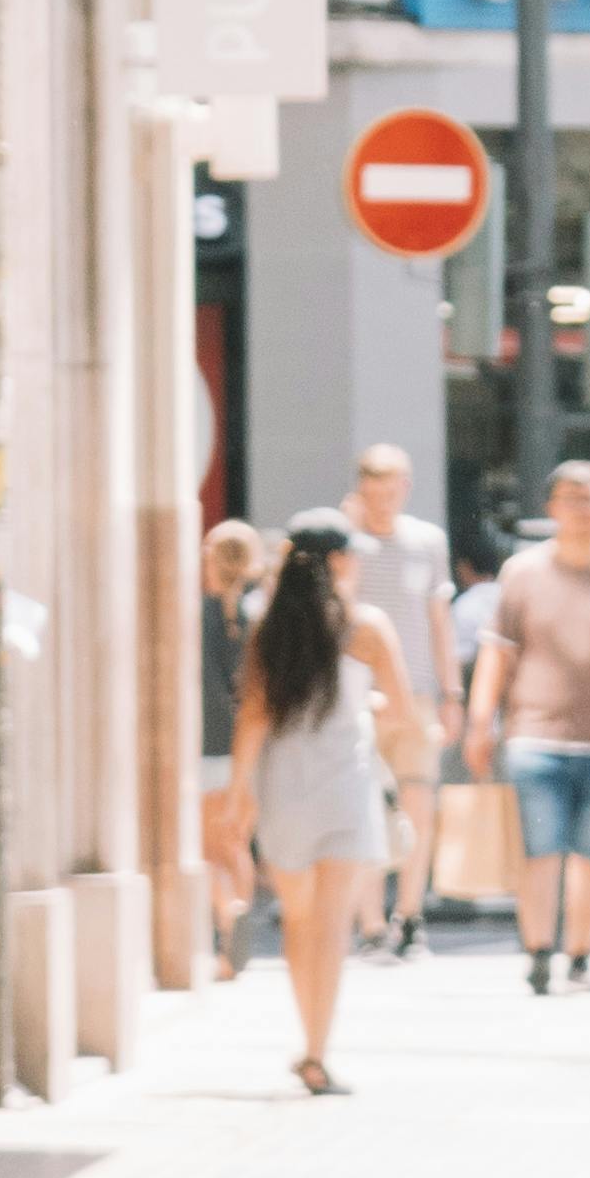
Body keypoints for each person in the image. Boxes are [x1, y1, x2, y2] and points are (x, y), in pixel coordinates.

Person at [464, 455, 590, 995]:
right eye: (572, 499)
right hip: (534, 736)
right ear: (552, 508)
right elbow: (496, 653)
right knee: (541, 850)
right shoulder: (522, 572)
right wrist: (480, 721)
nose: (583, 510)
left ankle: (578, 955)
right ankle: (537, 952)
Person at [229, 513, 412, 1094]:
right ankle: (316, 1051)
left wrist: (239, 797)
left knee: (299, 919)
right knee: (333, 924)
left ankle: (307, 1038)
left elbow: (253, 717)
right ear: (336, 563)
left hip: (285, 786)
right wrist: (372, 710)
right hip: (346, 785)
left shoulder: (269, 630)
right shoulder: (368, 627)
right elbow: (405, 714)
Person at [343, 443, 459, 959]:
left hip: (416, 696)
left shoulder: (427, 542)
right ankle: (369, 924)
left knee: (418, 804)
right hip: (358, 697)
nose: (382, 500)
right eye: (373, 489)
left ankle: (409, 915)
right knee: (363, 808)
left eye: (390, 489)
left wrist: (452, 693)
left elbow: (439, 622)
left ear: (404, 488)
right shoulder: (346, 545)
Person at [197, 518, 270, 968]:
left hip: (205, 750)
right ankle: (237, 918)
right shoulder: (259, 619)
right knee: (236, 844)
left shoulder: (194, 617)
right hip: (251, 751)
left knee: (203, 850)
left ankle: (227, 917)